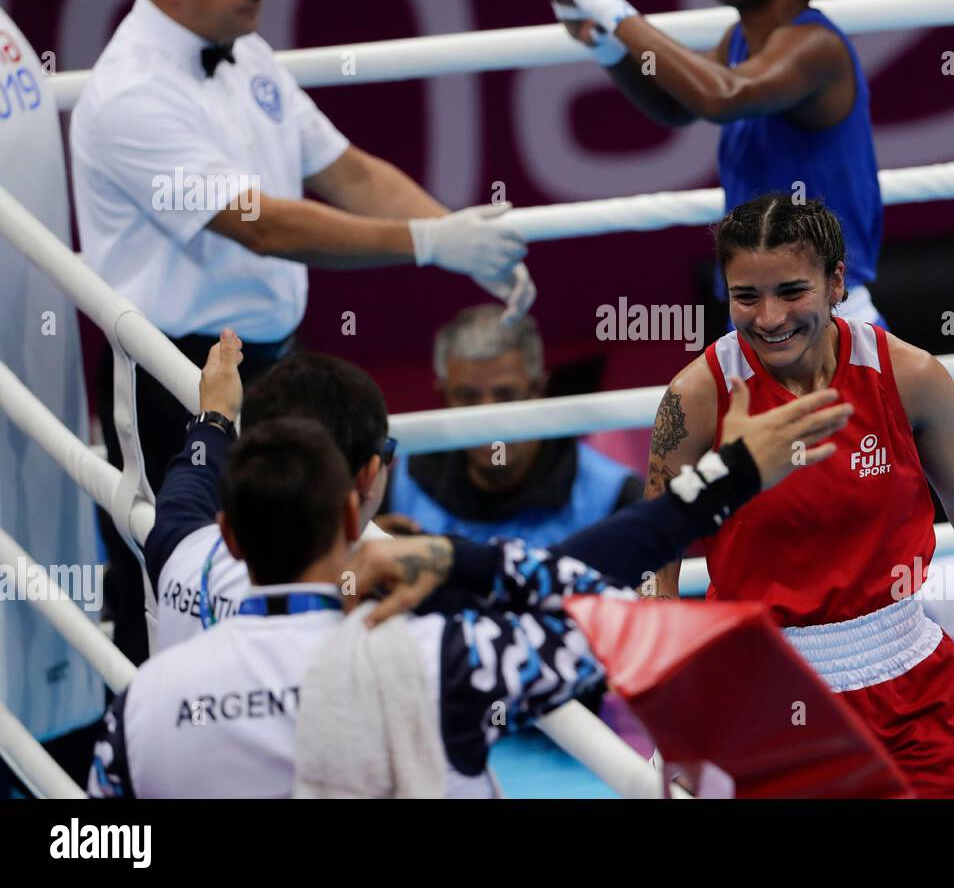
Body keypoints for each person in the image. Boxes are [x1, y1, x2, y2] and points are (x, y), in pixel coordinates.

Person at [71, 0, 532, 664]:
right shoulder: (129, 96)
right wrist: (425, 243)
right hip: (170, 379)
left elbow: (344, 168)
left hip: (274, 359)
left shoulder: (246, 51)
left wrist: (457, 234)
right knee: (179, 590)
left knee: (300, 574)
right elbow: (261, 224)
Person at [87, 332, 853, 798]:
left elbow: (185, 485)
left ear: (234, 528)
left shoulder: (144, 691)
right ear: (362, 498)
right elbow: (595, 599)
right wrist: (461, 556)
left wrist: (217, 415)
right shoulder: (437, 657)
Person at [645, 193, 954, 798]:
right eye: (746, 296)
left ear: (837, 282)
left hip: (913, 691)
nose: (770, 317)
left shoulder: (909, 378)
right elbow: (656, 550)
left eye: (791, 291)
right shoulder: (696, 398)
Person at [539, 0, 890, 326]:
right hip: (759, 309)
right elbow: (677, 103)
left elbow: (722, 97)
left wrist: (608, 2)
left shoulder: (815, 48)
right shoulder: (741, 42)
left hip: (826, 316)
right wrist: (605, 43)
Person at [148, 347, 399, 651]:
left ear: (229, 532)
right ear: (370, 474)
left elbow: (187, 487)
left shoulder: (187, 556)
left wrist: (214, 419)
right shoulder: (398, 611)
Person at [379, 305, 641, 545]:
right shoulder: (395, 491)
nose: (488, 417)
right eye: (468, 397)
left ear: (538, 389)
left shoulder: (615, 498)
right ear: (444, 396)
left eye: (506, 395)